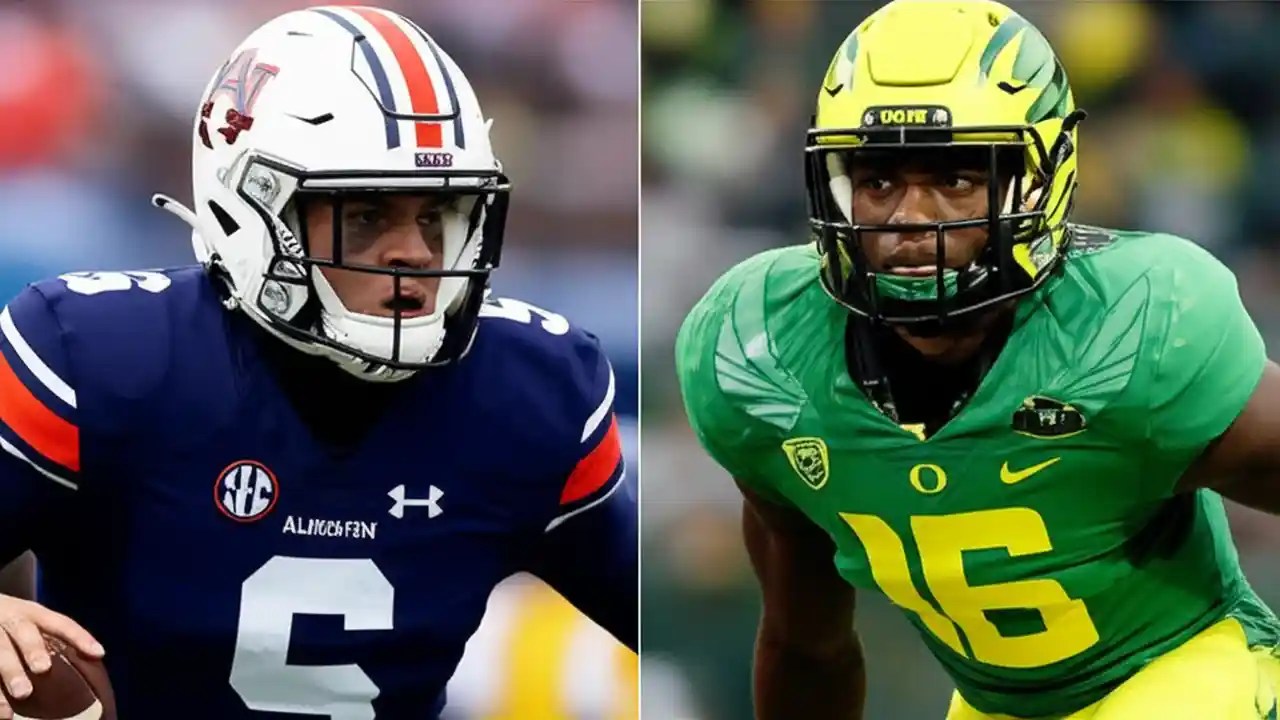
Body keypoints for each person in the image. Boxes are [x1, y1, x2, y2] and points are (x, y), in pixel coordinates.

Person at [0, 5, 635, 718]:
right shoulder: (95, 356)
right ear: (250, 210)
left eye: (438, 214)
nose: (416, 253)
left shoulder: (533, 391)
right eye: (367, 215)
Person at [674, 1, 1280, 718]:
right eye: (878, 182)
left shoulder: (1133, 326)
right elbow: (807, 646)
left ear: (1040, 178)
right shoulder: (765, 355)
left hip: (1179, 669)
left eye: (955, 180)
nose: (910, 219)